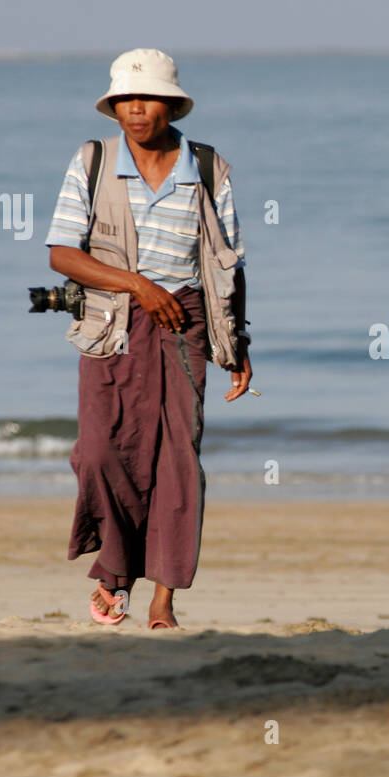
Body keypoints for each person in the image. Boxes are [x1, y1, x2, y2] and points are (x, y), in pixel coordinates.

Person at [44, 48, 253, 629]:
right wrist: (137, 285)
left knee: (177, 460)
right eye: (125, 101)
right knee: (100, 453)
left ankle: (163, 600)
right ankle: (115, 570)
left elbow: (229, 264)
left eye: (147, 99)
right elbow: (63, 254)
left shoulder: (209, 169)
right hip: (112, 326)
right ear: (113, 109)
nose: (136, 111)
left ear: (171, 105)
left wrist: (238, 344)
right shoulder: (92, 161)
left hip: (184, 326)